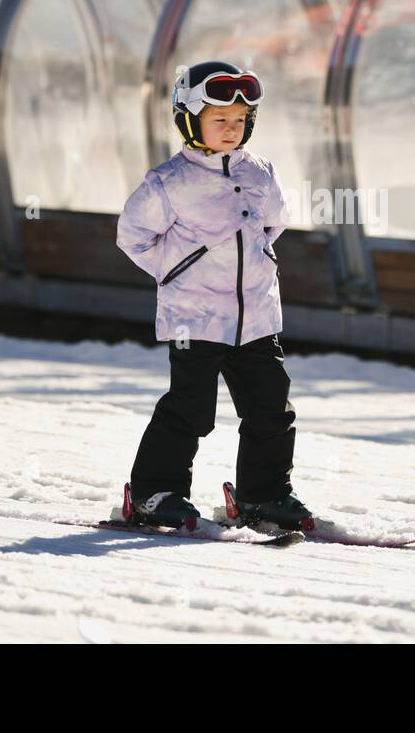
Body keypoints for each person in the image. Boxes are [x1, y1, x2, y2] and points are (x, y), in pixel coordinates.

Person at [114, 60, 311, 532]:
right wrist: (178, 271)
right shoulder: (169, 182)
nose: (231, 129)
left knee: (271, 408)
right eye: (219, 119)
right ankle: (154, 493)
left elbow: (272, 224)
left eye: (240, 121)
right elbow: (133, 236)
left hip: (257, 318)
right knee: (191, 409)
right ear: (189, 119)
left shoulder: (262, 173)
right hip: (194, 318)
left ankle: (263, 495)